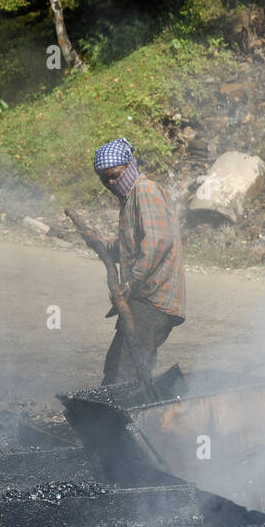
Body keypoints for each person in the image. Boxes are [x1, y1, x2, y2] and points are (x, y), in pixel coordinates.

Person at [93, 138, 186, 385]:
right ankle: (111, 419)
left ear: (130, 166)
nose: (111, 183)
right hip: (142, 300)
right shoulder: (130, 199)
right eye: (105, 180)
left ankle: (116, 422)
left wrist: (131, 283)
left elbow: (157, 242)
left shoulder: (145, 191)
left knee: (125, 370)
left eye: (115, 175)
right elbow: (129, 248)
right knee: (119, 363)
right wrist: (99, 243)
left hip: (152, 299)